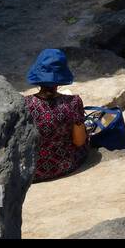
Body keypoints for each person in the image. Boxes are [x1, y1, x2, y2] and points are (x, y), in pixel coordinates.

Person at [24, 49, 88, 181]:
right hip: (65, 165)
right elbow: (79, 141)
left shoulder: (25, 104)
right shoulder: (73, 102)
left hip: (33, 171)